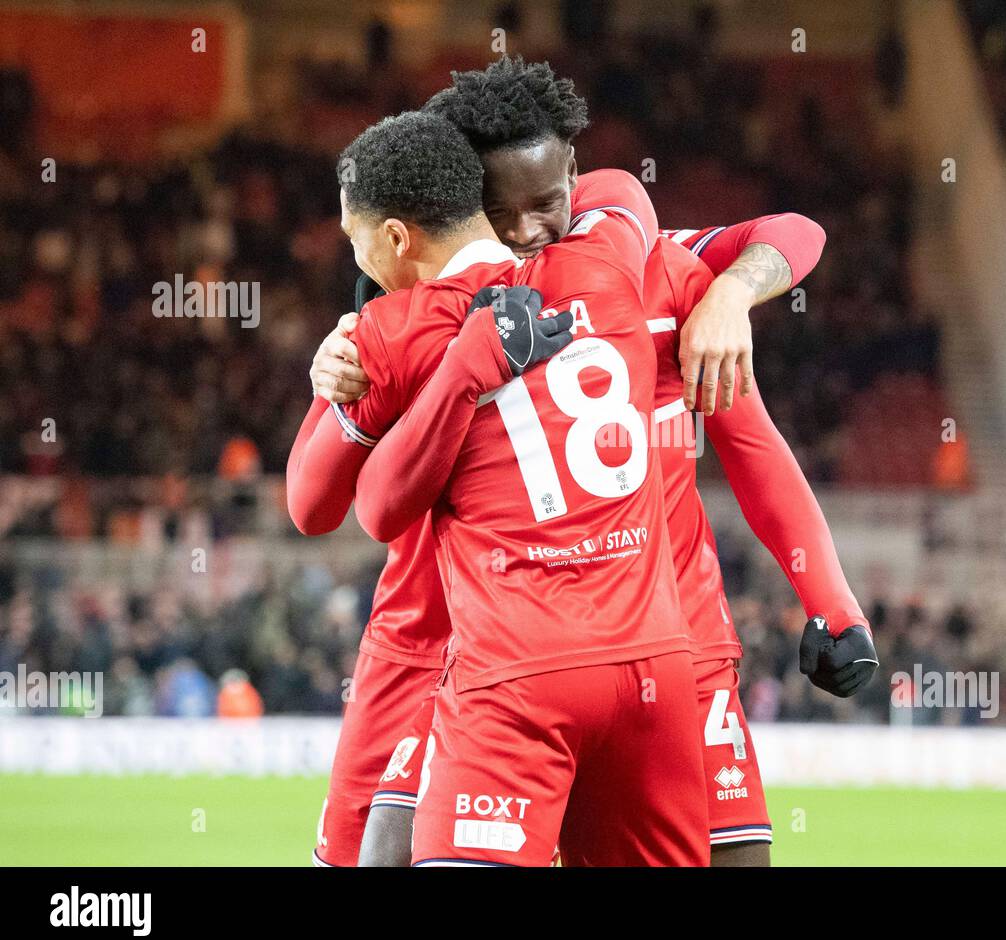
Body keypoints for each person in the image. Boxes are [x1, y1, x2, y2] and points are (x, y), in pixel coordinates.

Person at [316, 58, 876, 866]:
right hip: (472, 654)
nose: (528, 232)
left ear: (571, 177)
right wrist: (331, 386)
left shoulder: (660, 276)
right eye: (502, 215)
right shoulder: (413, 312)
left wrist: (728, 297)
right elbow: (327, 500)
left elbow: (758, 430)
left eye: (547, 205)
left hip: (669, 651)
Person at [291, 108, 707, 865]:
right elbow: (625, 195)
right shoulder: (611, 261)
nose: (356, 263)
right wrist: (735, 296)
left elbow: (328, 507)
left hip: (509, 668)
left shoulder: (394, 330)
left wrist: (341, 381)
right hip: (652, 665)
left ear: (394, 237)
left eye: (356, 240)